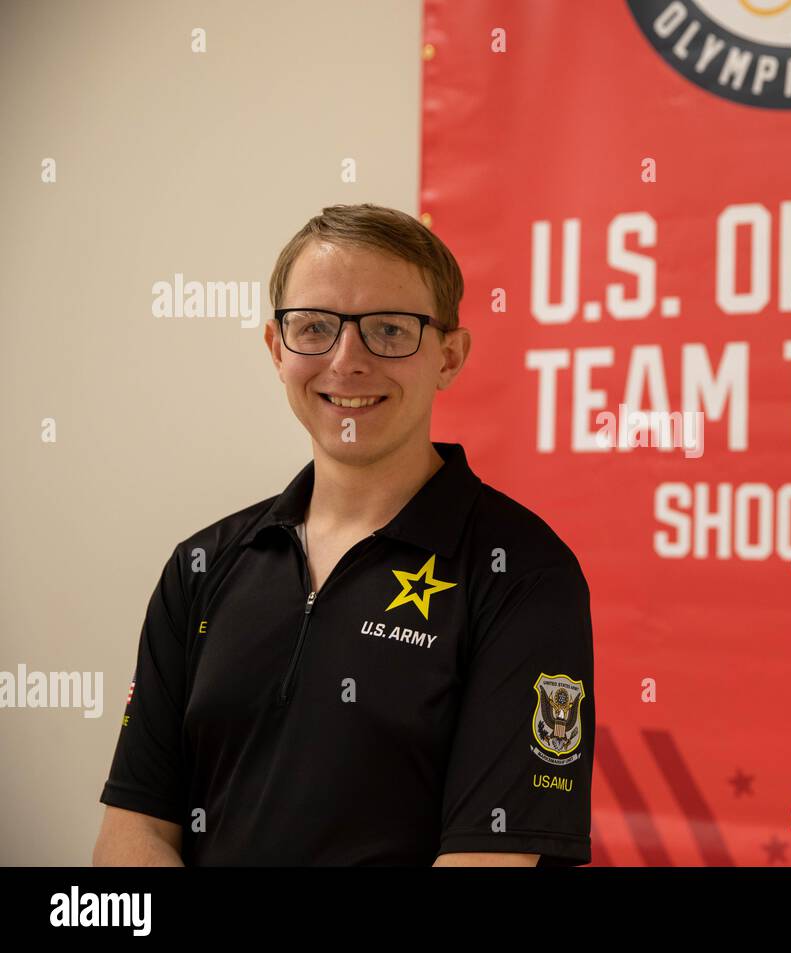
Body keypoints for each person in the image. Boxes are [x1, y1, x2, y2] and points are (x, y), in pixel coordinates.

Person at [92, 204, 595, 866]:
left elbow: (485, 860)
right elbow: (134, 831)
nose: (347, 361)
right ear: (277, 349)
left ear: (449, 356)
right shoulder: (201, 565)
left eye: (390, 329)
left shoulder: (522, 574)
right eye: (315, 328)